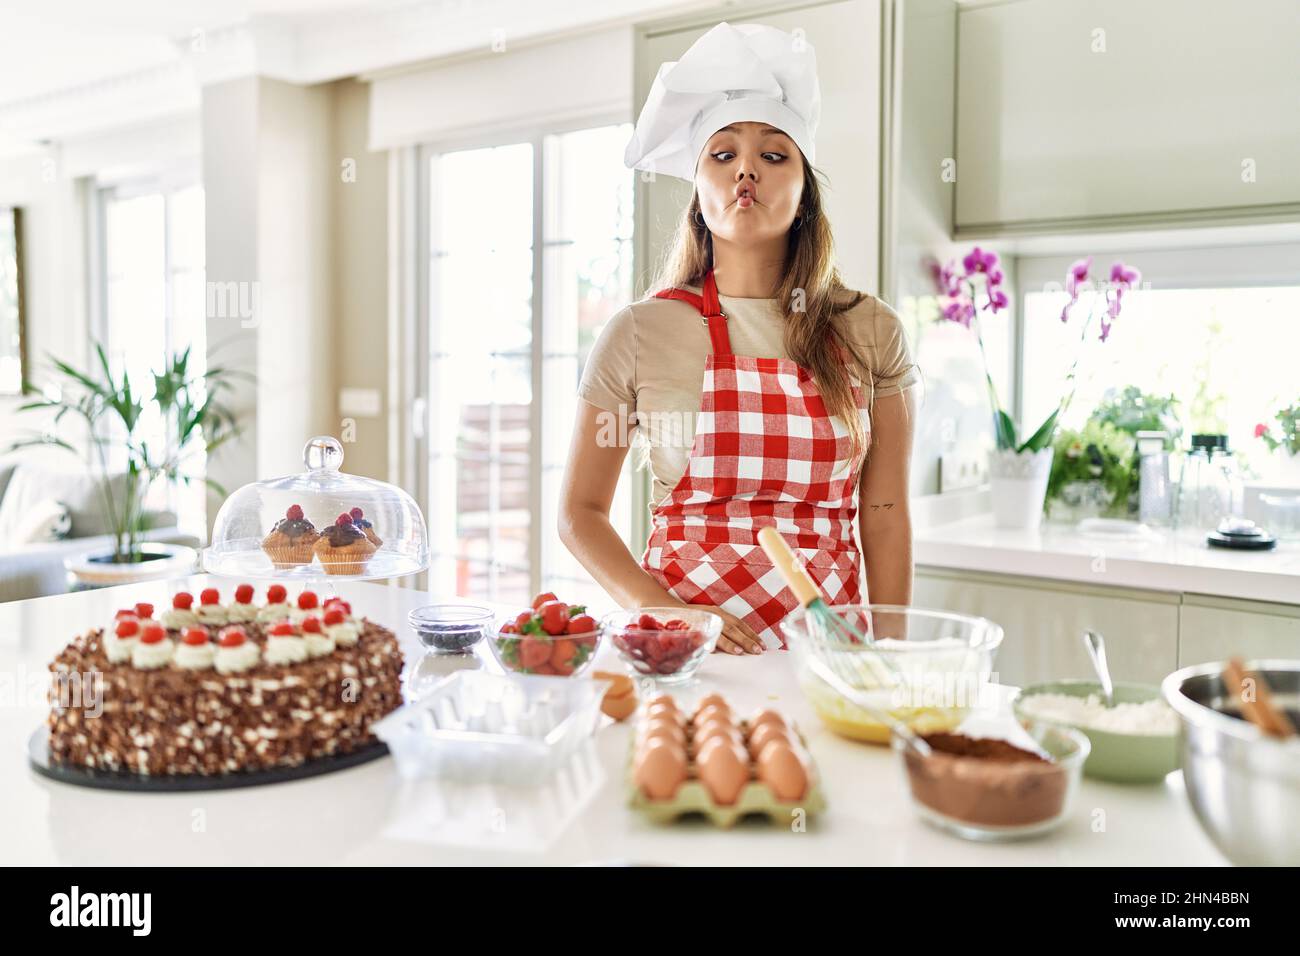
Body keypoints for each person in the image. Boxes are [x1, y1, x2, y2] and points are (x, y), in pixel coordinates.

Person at [559, 22, 920, 657]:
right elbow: (579, 514)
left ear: (805, 192)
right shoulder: (640, 333)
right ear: (697, 195)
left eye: (774, 155)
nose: (746, 169)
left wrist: (892, 657)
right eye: (722, 155)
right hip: (684, 654)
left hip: (829, 656)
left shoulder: (871, 330)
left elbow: (884, 511)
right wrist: (668, 613)